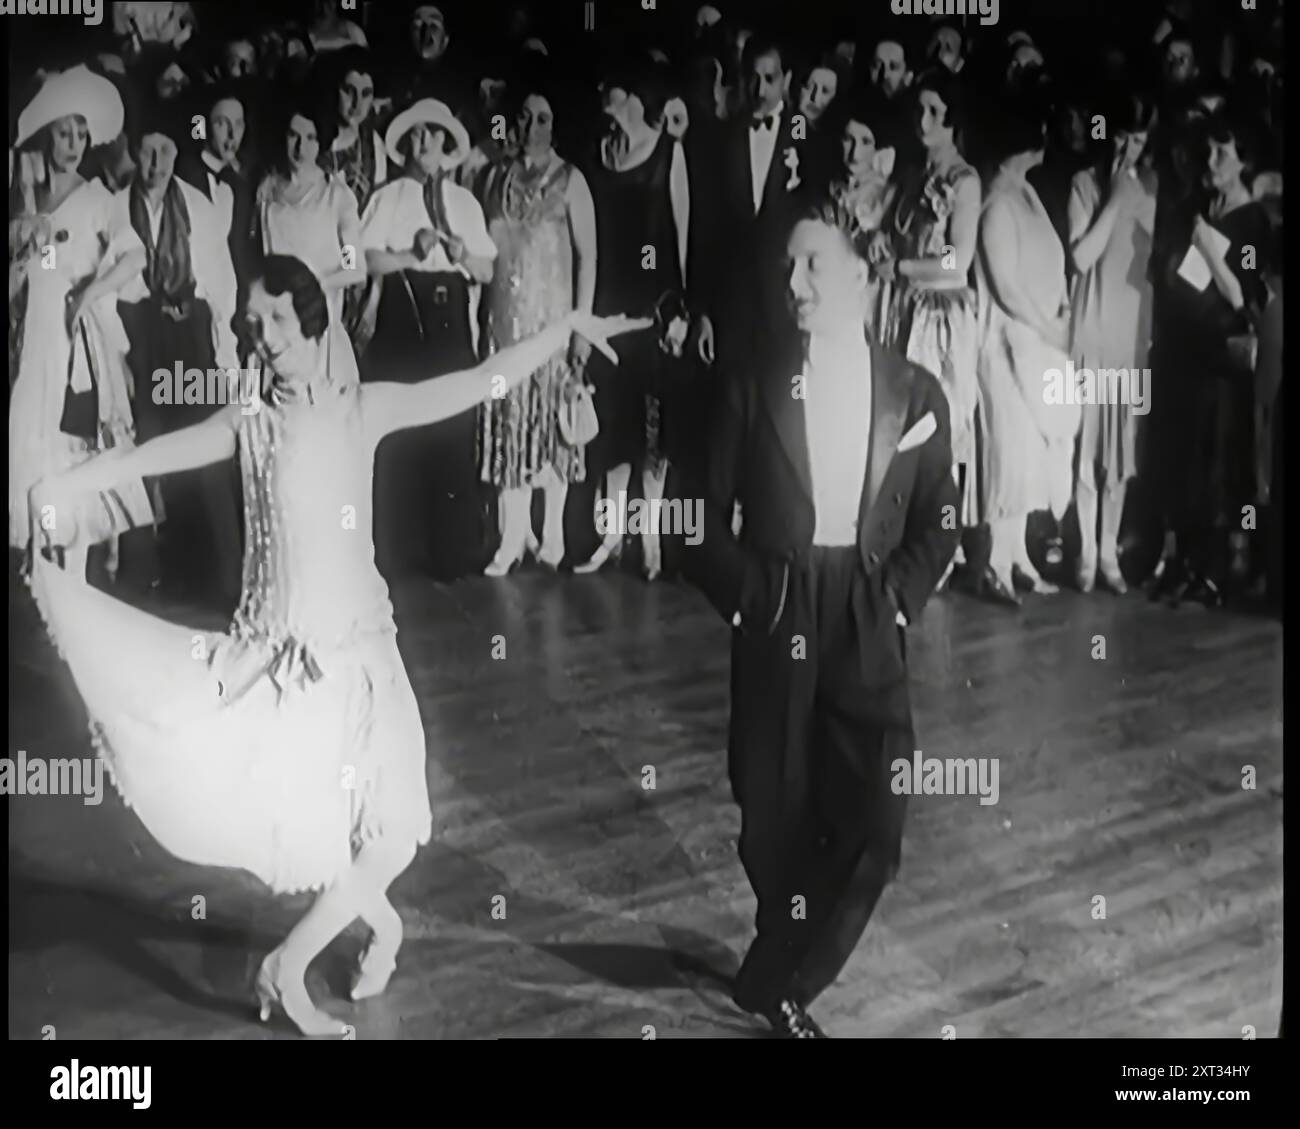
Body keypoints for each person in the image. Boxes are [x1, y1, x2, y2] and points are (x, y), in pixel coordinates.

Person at [25, 254, 648, 1038]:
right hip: (290, 666)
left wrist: (561, 331)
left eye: (279, 319)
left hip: (365, 651)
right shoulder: (248, 423)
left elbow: (478, 383)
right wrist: (64, 488)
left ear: (312, 318)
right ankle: (295, 965)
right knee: (339, 839)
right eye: (253, 325)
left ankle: (348, 942)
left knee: (392, 831)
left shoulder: (360, 408)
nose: (264, 337)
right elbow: (154, 456)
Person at [687, 198, 958, 1037]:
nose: (794, 282)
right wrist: (753, 595)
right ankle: (781, 963)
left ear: (864, 273)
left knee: (879, 814)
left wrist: (900, 604)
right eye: (788, 267)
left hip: (868, 606)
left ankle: (782, 976)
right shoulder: (749, 376)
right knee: (773, 807)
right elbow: (694, 516)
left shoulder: (916, 391)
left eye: (813, 265)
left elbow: (941, 519)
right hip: (780, 604)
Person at [8, 65, 155, 583]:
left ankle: (77, 569)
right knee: (31, 434)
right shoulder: (26, 202)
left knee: (77, 443)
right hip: (32, 337)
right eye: (63, 132)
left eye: (80, 134)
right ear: (48, 134)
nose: (72, 143)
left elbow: (134, 257)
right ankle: (38, 559)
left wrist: (88, 294)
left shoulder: (100, 200)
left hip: (75, 338)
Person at [478, 78, 597, 574]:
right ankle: (511, 539)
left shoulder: (571, 180)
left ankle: (552, 537)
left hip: (553, 329)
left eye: (542, 118)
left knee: (555, 433)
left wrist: (582, 328)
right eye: (524, 117)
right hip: (506, 326)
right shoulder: (493, 179)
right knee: (510, 433)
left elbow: (588, 256)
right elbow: (485, 253)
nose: (531, 128)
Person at [974, 94, 1080, 606]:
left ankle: (1017, 557)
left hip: (1038, 344)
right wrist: (1045, 326)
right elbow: (1005, 284)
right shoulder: (996, 200)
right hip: (1007, 344)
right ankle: (995, 561)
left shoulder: (1029, 194)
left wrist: (1058, 321)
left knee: (1032, 455)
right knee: (1009, 453)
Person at [1067, 93, 1159, 595]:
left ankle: (1108, 551)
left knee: (1121, 456)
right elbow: (1082, 257)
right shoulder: (1085, 184)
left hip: (1132, 336)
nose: (1128, 146)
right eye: (1121, 134)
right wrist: (1116, 201)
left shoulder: (1154, 189)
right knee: (1087, 449)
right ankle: (1083, 553)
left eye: (1138, 139)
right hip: (1092, 332)